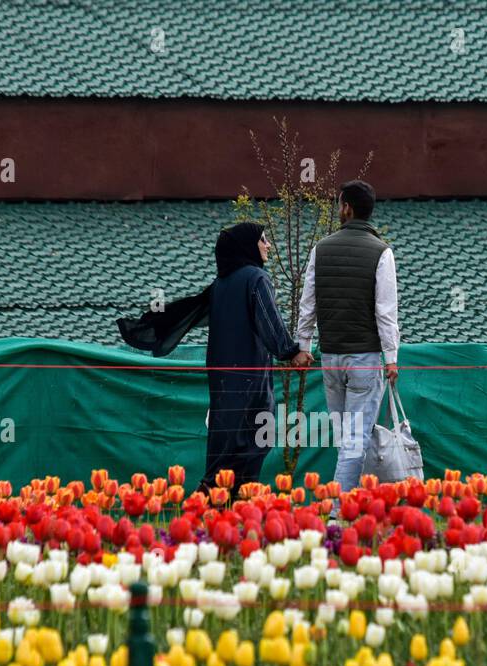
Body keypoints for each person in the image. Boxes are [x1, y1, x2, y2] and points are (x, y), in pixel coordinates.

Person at [117, 223, 311, 495]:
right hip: (250, 378)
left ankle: (219, 514)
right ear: (246, 245)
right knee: (255, 443)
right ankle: (212, 506)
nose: (268, 246)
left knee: (224, 448)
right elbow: (269, 323)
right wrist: (291, 352)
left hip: (222, 379)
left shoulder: (221, 284)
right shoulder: (256, 278)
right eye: (263, 240)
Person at [296, 180, 400, 501]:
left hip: (330, 357)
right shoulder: (382, 253)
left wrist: (303, 347)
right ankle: (339, 514)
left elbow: (308, 305)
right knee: (354, 440)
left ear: (346, 208)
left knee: (348, 439)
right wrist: (391, 355)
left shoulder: (320, 249)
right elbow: (386, 312)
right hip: (365, 360)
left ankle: (357, 506)